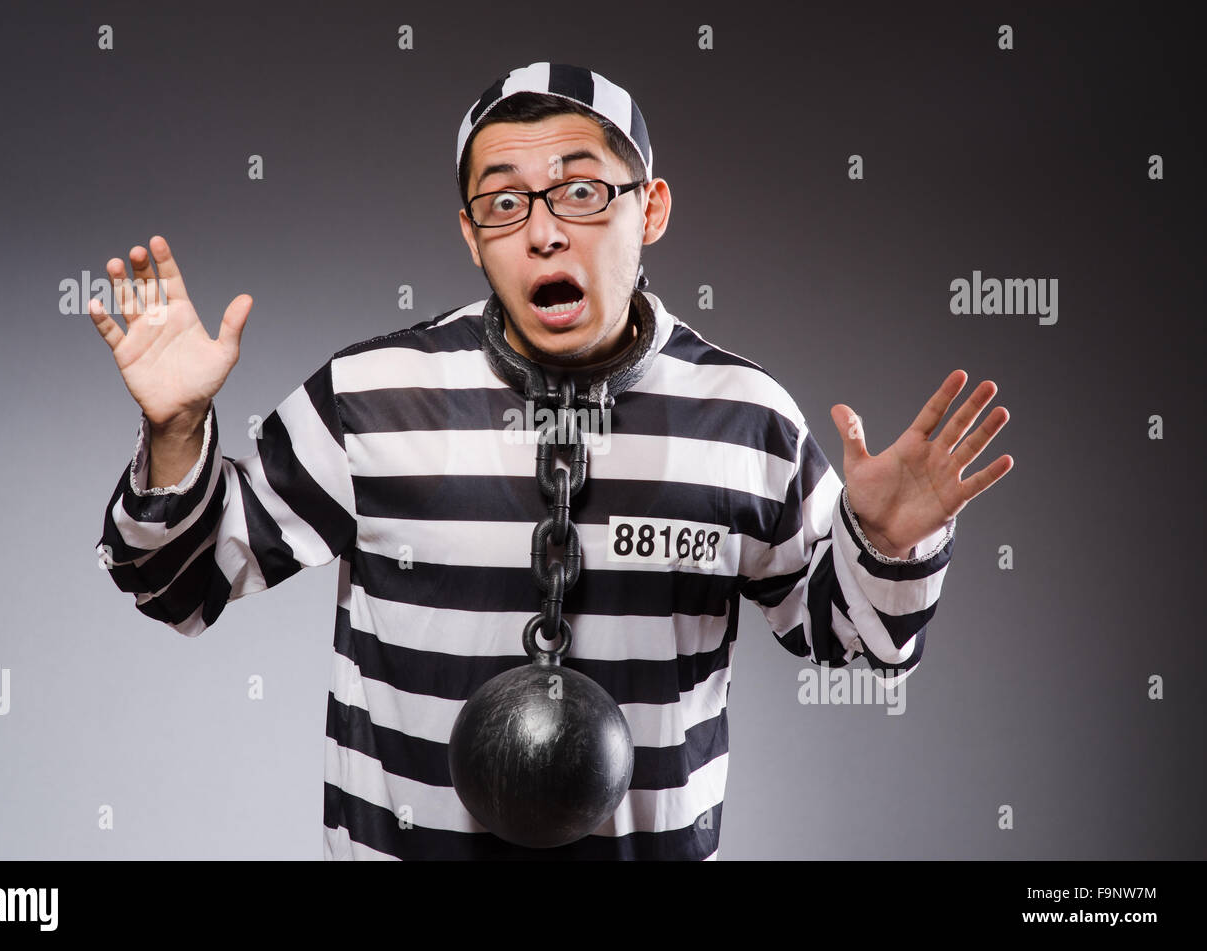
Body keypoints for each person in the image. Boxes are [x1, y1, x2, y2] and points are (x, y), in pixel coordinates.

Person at [90, 62, 1012, 860]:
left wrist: (888, 544)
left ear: (648, 209)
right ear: (471, 233)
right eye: (504, 202)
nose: (543, 231)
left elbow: (859, 645)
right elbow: (180, 585)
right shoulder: (372, 394)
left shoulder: (745, 417)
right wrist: (175, 433)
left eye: (581, 192)